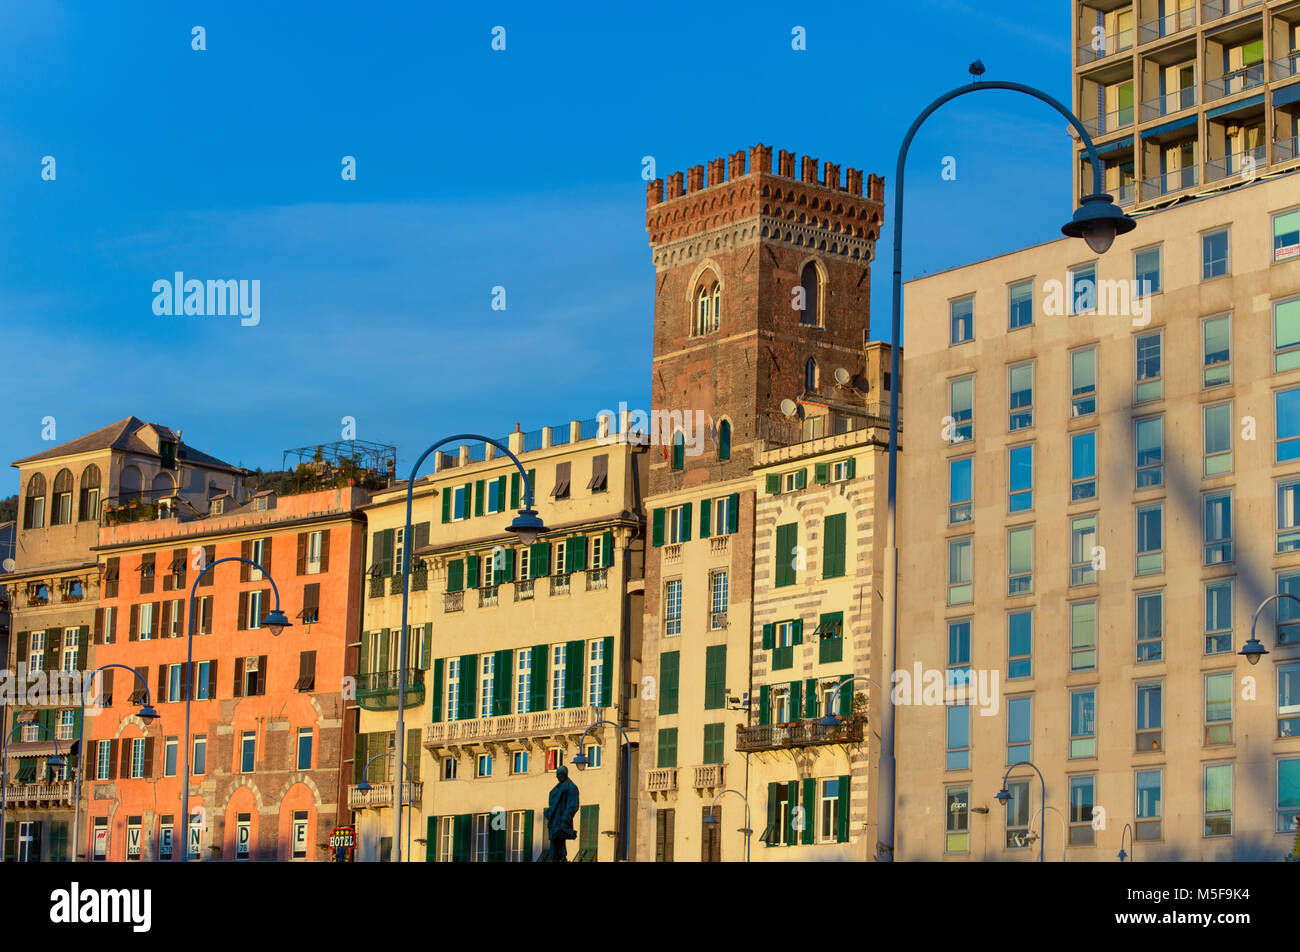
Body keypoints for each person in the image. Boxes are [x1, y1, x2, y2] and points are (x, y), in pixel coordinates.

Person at [543, 764, 579, 861]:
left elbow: (573, 806)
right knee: (555, 844)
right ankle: (558, 857)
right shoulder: (557, 788)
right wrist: (548, 813)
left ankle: (561, 857)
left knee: (558, 843)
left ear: (564, 774)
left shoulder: (571, 787)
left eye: (558, 774)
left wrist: (565, 820)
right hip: (554, 821)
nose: (556, 776)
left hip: (561, 820)